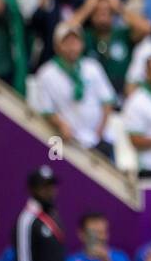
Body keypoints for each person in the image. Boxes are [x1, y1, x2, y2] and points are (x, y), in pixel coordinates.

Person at [31, 23, 117, 160]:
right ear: (57, 46)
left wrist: (99, 131)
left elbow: (107, 100)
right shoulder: (46, 73)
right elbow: (46, 109)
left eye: (75, 41)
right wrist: (61, 125)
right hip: (67, 141)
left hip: (98, 139)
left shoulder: (92, 67)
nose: (72, 46)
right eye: (67, 42)